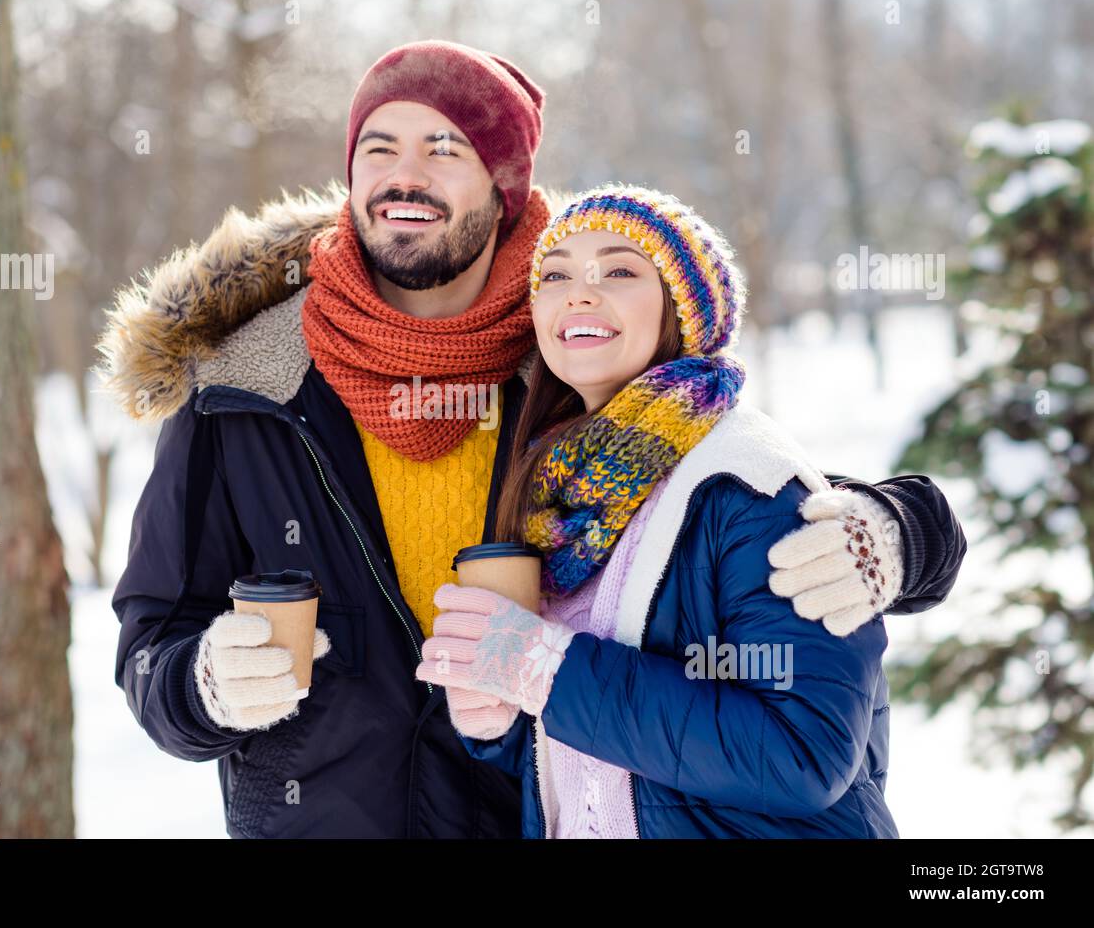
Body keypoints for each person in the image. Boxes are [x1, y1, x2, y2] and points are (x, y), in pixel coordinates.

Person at [98, 42, 966, 838]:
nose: (406, 176)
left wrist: (902, 528)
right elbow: (151, 640)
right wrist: (203, 683)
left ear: (504, 187)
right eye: (379, 148)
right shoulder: (244, 387)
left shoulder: (565, 355)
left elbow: (741, 495)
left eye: (445, 149)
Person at [417, 184, 904, 837]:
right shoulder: (556, 491)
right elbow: (602, 763)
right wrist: (502, 723)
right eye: (555, 275)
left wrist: (547, 670)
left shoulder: (751, 483)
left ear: (684, 310)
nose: (578, 293)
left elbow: (804, 753)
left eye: (618, 270)